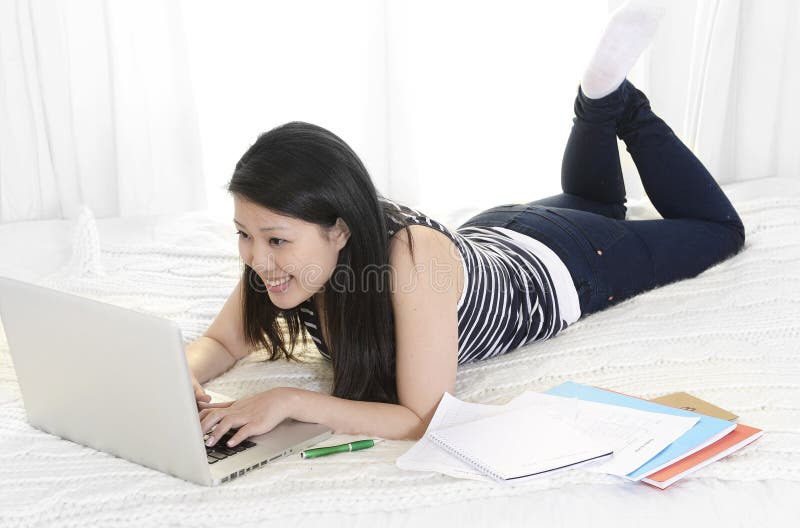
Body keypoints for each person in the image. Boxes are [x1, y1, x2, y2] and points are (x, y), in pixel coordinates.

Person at [189, 0, 745, 449]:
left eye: (276, 240)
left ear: (339, 229)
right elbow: (219, 341)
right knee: (592, 199)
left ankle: (621, 107)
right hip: (497, 232)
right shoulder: (287, 266)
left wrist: (290, 399)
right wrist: (180, 380)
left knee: (718, 229)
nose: (257, 259)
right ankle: (596, 100)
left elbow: (423, 417)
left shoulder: (407, 261)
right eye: (244, 234)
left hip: (569, 264)